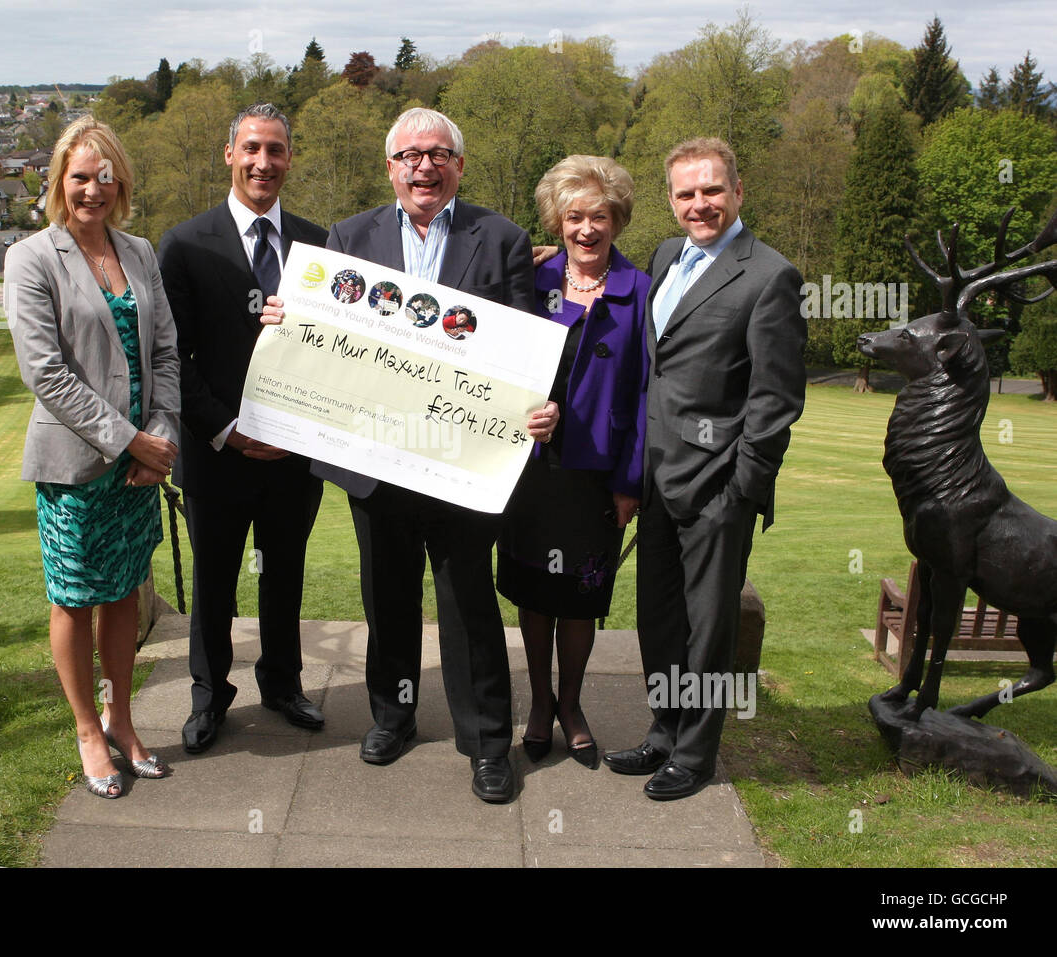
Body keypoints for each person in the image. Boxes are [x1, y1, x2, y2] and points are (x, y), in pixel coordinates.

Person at [263, 108, 557, 803]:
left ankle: (487, 741)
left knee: (468, 604)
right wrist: (284, 321)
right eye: (410, 155)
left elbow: (521, 346)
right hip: (375, 460)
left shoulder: (504, 238)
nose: (424, 166)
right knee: (387, 600)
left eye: (439, 153)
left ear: (459, 163)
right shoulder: (348, 235)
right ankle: (392, 717)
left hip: (462, 459)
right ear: (390, 166)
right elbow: (322, 335)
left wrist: (538, 407)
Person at [603, 137, 805, 800]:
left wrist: (743, 487)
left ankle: (696, 754)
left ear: (738, 192)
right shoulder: (666, 256)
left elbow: (776, 398)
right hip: (659, 478)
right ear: (671, 199)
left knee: (710, 626)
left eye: (712, 190)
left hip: (719, 488)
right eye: (686, 193)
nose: (700, 204)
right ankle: (665, 730)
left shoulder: (770, 275)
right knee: (660, 618)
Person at [7, 116, 180, 798]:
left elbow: (164, 351)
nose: (91, 189)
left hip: (140, 465)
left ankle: (123, 718)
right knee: (76, 600)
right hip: (76, 466)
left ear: (121, 183)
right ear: (58, 182)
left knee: (124, 595)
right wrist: (127, 440)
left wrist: (159, 440)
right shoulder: (31, 257)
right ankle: (86, 729)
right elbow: (44, 372)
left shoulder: (139, 252)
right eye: (79, 176)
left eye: (104, 176)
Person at [157, 104, 328, 754]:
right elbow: (173, 358)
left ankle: (282, 685)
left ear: (289, 159)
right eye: (252, 148)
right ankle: (209, 697)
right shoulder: (185, 244)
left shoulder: (318, 245)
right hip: (216, 452)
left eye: (276, 150)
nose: (264, 162)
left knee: (284, 574)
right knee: (214, 583)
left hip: (292, 454)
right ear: (229, 154)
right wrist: (227, 429)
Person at [497, 155, 649, 771]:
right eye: (575, 216)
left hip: (596, 475)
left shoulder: (640, 291)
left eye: (600, 217)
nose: (587, 229)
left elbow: (646, 391)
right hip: (530, 470)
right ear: (557, 221)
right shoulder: (529, 280)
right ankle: (537, 703)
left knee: (583, 598)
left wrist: (630, 481)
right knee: (536, 594)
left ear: (617, 221)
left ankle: (572, 704)